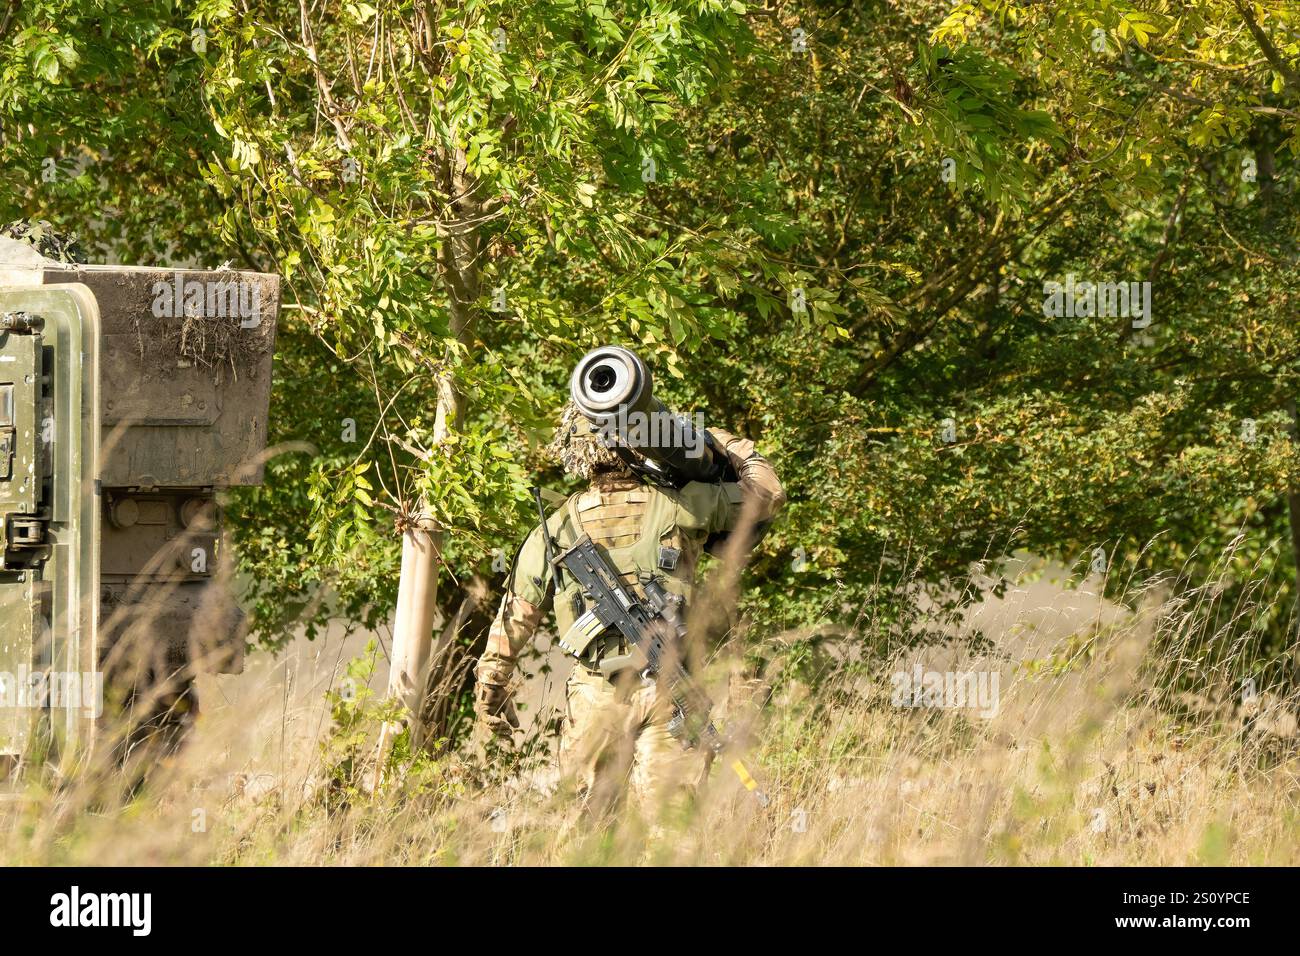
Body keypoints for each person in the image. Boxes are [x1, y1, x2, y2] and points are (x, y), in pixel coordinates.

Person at [473, 401, 785, 817]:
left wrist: (492, 684)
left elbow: (516, 614)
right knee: (672, 830)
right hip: (671, 693)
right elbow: (767, 494)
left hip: (596, 696)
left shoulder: (556, 526)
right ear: (641, 443)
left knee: (584, 827)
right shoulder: (682, 505)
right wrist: (718, 441)